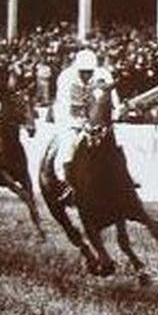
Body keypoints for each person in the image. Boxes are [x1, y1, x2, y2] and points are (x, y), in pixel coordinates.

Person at [51, 48, 116, 203]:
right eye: (83, 72)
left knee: (116, 143)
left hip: (97, 121)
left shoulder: (104, 75)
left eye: (89, 72)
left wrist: (112, 118)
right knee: (67, 148)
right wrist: (80, 125)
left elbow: (113, 100)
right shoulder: (65, 77)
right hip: (70, 120)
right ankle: (65, 184)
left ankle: (124, 178)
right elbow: (64, 106)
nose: (87, 75)